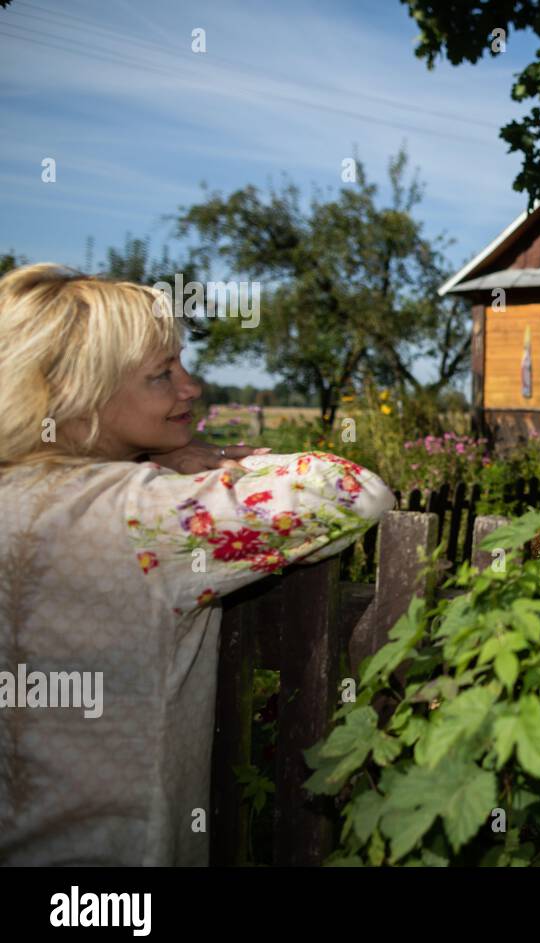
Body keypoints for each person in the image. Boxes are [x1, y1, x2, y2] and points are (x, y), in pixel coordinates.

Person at [0, 264, 395, 865]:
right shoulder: (149, 515)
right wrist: (215, 465)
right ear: (75, 397)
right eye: (162, 374)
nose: (190, 387)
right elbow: (351, 491)